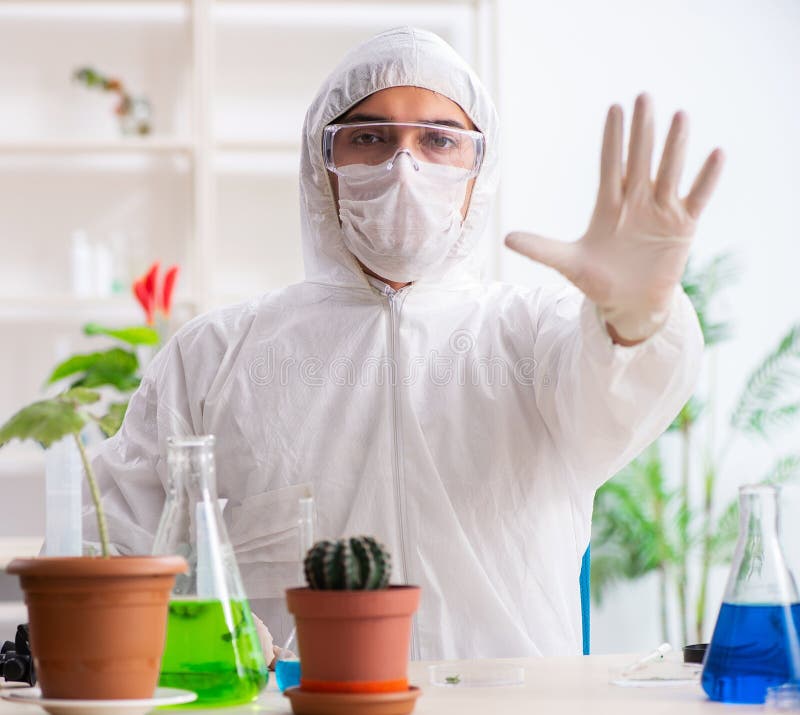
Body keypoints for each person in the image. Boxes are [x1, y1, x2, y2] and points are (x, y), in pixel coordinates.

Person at [84, 26, 722, 661]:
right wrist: (186, 631)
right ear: (320, 162)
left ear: (480, 169)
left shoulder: (537, 333)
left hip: (508, 706)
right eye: (369, 137)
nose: (404, 166)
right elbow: (114, 542)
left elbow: (618, 402)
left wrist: (636, 322)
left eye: (439, 139)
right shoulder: (215, 356)